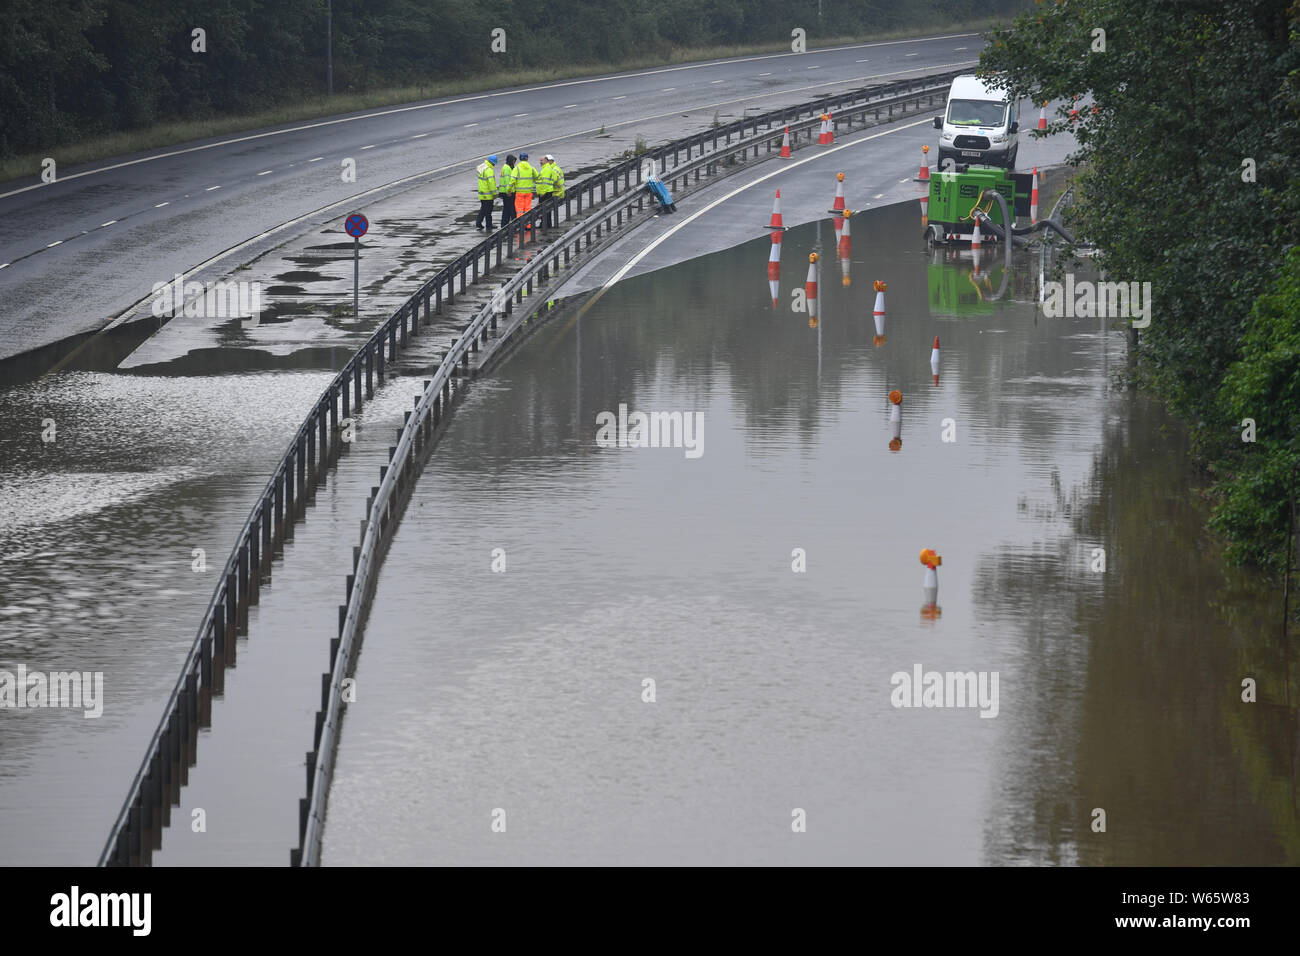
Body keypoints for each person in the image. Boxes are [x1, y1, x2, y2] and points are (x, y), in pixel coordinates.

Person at [538, 154, 565, 229]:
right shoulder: (554, 168)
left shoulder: (553, 169)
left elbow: (550, 181)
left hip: (556, 193)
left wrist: (543, 191)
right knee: (547, 210)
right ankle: (546, 224)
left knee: (546, 209)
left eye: (547, 161)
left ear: (550, 161)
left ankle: (545, 225)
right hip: (557, 191)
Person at [513, 152, 538, 231]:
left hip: (519, 192)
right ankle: (528, 225)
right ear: (527, 159)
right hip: (528, 192)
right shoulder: (531, 168)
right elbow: (537, 177)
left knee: (520, 210)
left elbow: (512, 180)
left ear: (520, 159)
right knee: (527, 209)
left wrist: (509, 190)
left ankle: (520, 225)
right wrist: (531, 182)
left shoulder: (516, 168)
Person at [475, 155, 499, 230]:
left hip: (482, 193)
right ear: (492, 163)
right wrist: (494, 193)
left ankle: (479, 223)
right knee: (488, 210)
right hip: (488, 194)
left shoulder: (482, 168)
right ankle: (488, 225)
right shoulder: (489, 170)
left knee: (483, 209)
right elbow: (491, 183)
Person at [499, 154, 517, 226]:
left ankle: (505, 224)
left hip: (506, 191)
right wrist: (508, 191)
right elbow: (507, 181)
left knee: (507, 208)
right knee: (509, 209)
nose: (514, 163)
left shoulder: (506, 167)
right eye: (513, 161)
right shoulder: (507, 168)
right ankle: (506, 224)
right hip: (508, 192)